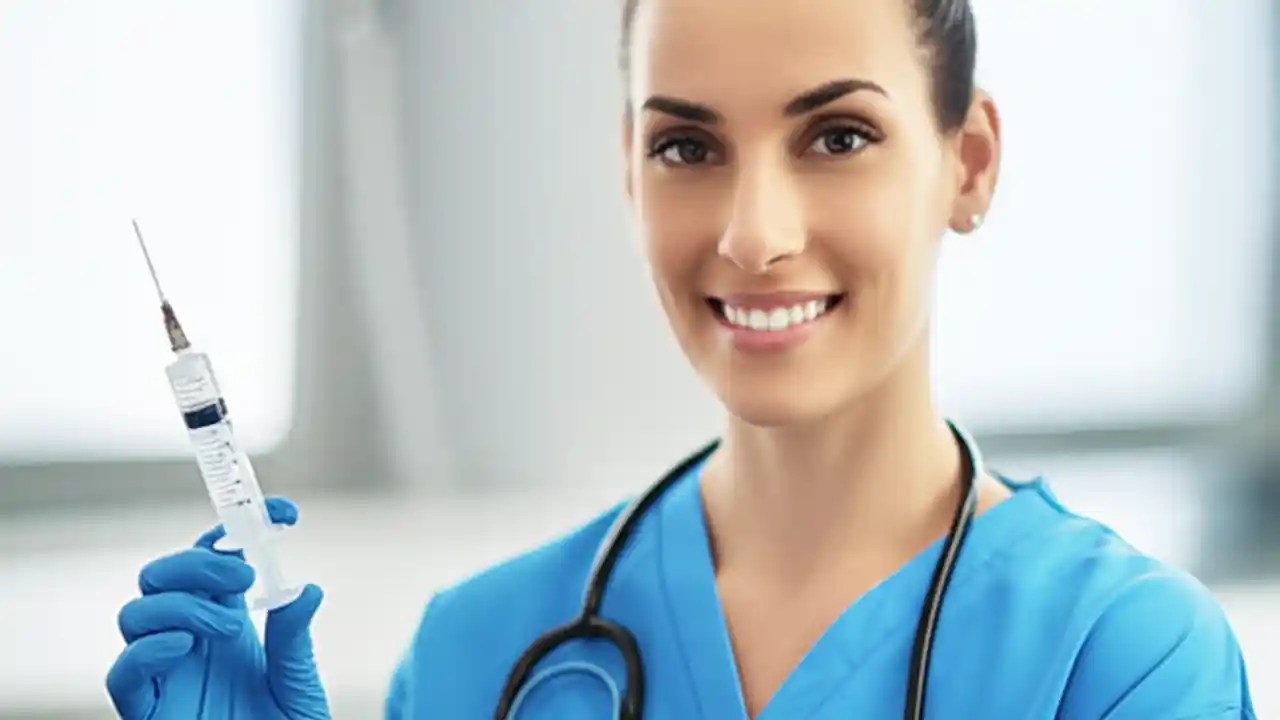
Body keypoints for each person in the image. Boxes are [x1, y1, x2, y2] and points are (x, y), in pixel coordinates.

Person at [106, 0, 1257, 717]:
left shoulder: (1119, 662)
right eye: (687, 145)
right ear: (627, 171)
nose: (751, 232)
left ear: (966, 162)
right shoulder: (475, 656)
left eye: (836, 135)